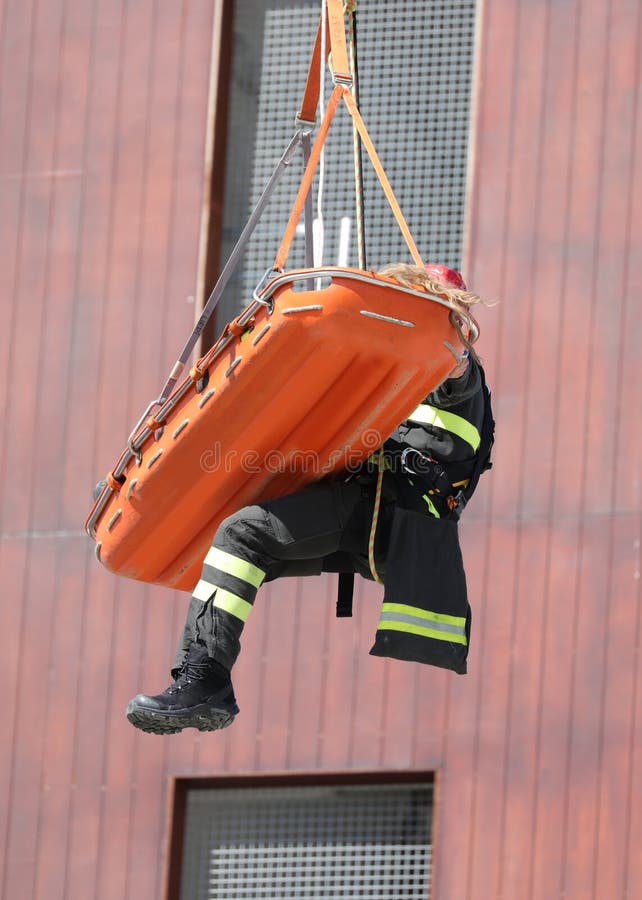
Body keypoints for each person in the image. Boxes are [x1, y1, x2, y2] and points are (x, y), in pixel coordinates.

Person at [126, 262, 495, 735]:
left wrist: (426, 321)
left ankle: (203, 681)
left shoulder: (453, 370)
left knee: (245, 533)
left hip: (390, 515)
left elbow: (450, 358)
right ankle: (204, 680)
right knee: (243, 540)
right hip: (377, 513)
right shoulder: (399, 367)